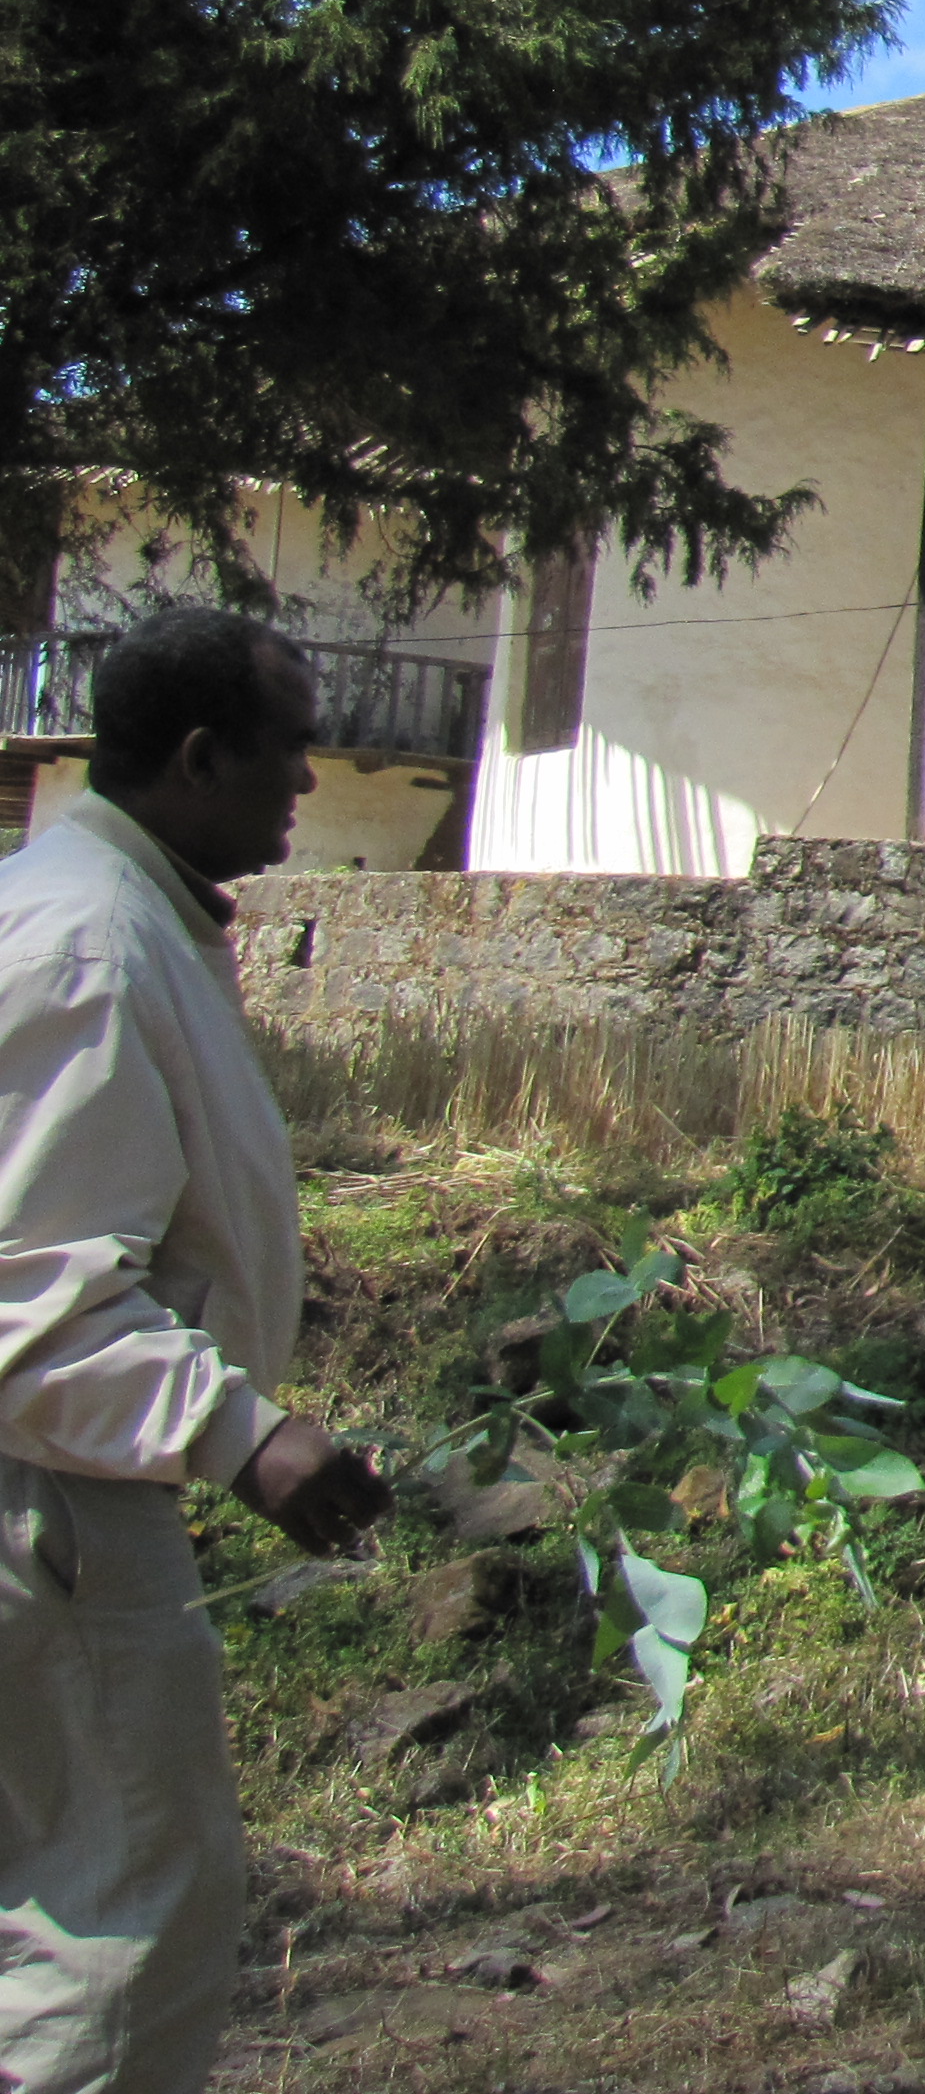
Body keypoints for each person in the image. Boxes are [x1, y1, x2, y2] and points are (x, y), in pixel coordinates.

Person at [0, 607, 387, 2094]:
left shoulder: (123, 915)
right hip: (55, 1505)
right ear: (200, 753)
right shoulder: (90, 947)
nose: (308, 775)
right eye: (288, 744)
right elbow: (28, 1296)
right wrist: (245, 1434)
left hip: (66, 1490)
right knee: (123, 1931)